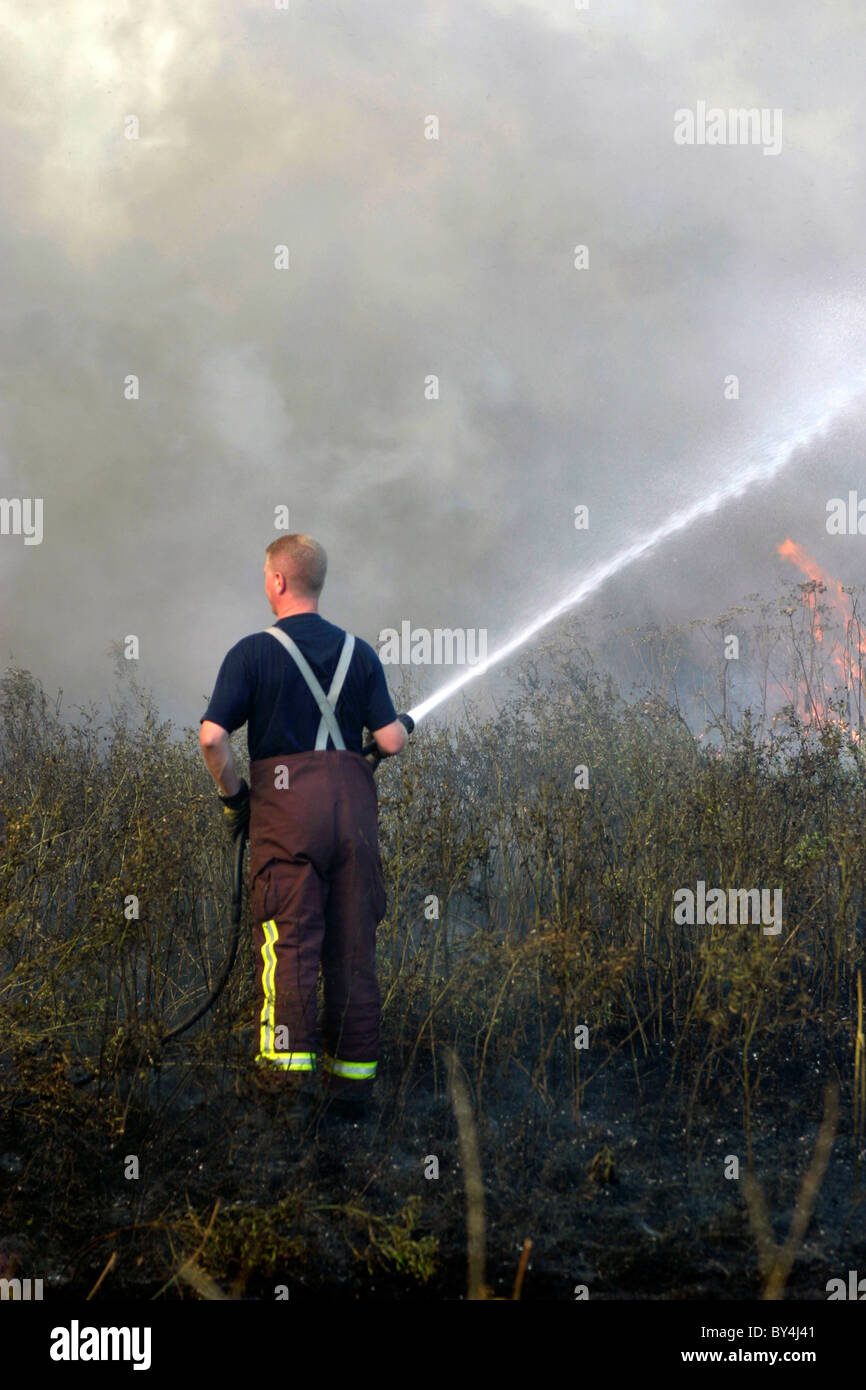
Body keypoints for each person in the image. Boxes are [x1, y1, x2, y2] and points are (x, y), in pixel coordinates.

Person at [199, 534, 408, 1118]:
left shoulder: (252, 653)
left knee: (291, 946)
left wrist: (234, 798)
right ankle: (351, 1098)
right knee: (352, 948)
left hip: (288, 816)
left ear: (280, 581)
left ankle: (286, 1102)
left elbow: (214, 737)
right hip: (353, 815)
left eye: (265, 575)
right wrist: (401, 727)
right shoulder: (359, 652)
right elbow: (390, 740)